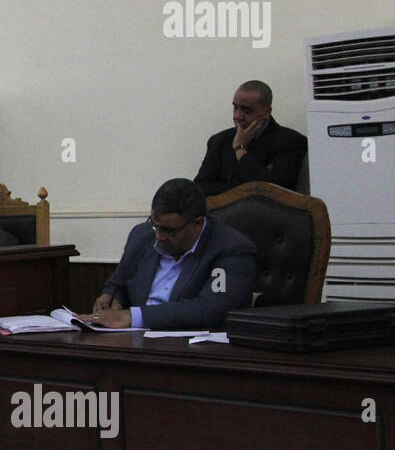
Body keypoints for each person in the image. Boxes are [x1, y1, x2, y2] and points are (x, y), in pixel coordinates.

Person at [87, 178, 257, 330]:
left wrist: (133, 316)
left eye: (168, 230)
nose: (159, 236)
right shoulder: (142, 235)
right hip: (133, 340)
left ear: (197, 224)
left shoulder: (231, 249)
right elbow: (120, 280)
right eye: (155, 225)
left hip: (192, 348)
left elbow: (211, 308)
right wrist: (111, 298)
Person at [194, 80, 308, 196]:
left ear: (267, 111)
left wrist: (240, 149)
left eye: (247, 110)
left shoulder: (290, 141)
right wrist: (246, 188)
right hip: (221, 213)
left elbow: (275, 190)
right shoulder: (219, 141)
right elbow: (200, 187)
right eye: (235, 108)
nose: (237, 116)